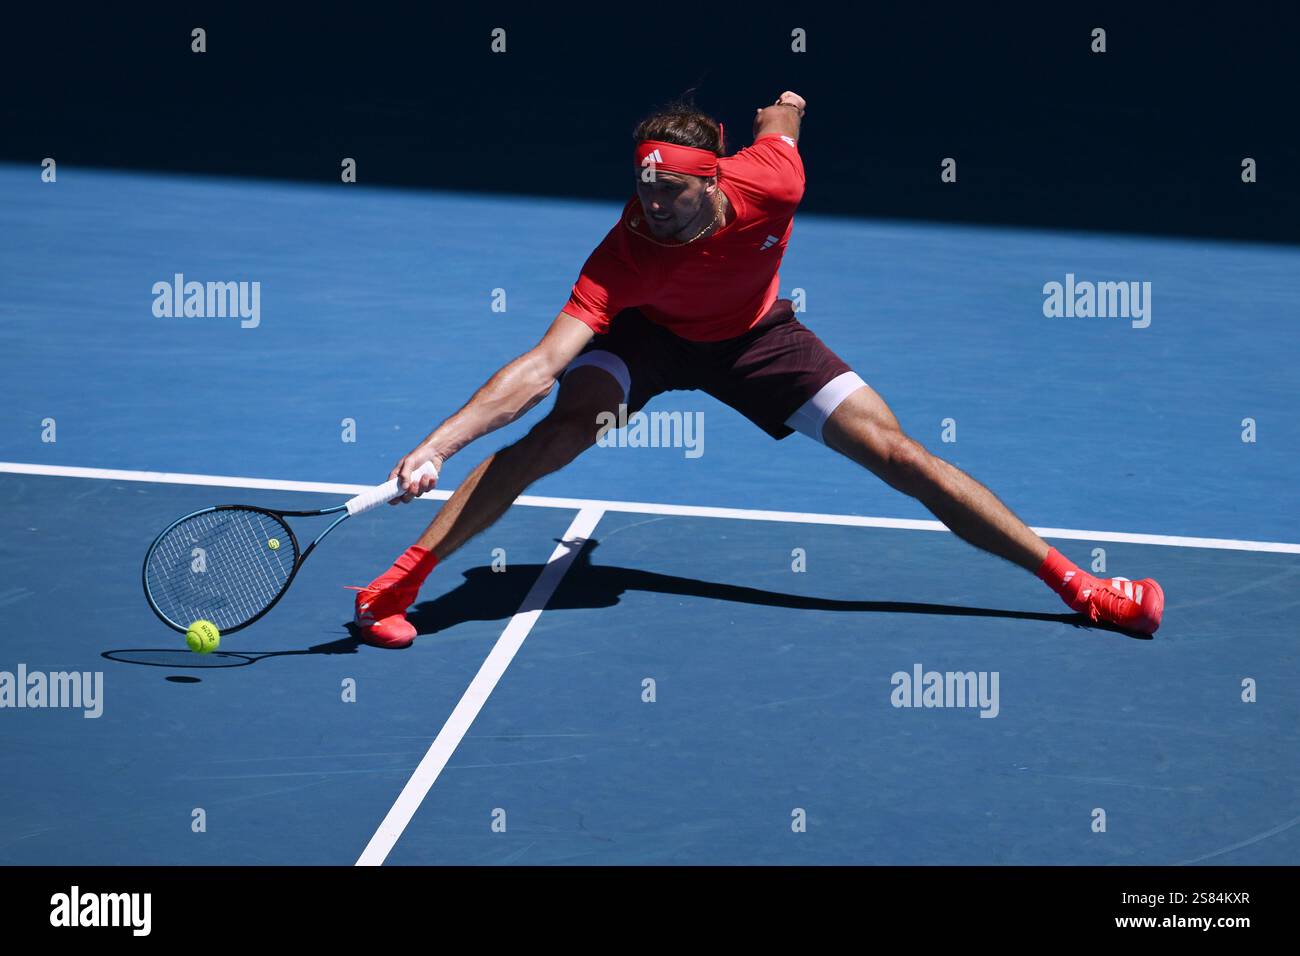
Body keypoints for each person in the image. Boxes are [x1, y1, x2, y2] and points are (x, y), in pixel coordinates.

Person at [350, 91, 1164, 649]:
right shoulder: (623, 256)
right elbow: (538, 366)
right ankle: (396, 585)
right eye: (642, 187)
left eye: (670, 189)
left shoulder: (775, 181)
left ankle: (1080, 588)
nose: (652, 204)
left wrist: (788, 104)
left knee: (901, 456)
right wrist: (437, 445)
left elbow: (782, 123)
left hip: (755, 339)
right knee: (557, 430)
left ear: (714, 178)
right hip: (649, 338)